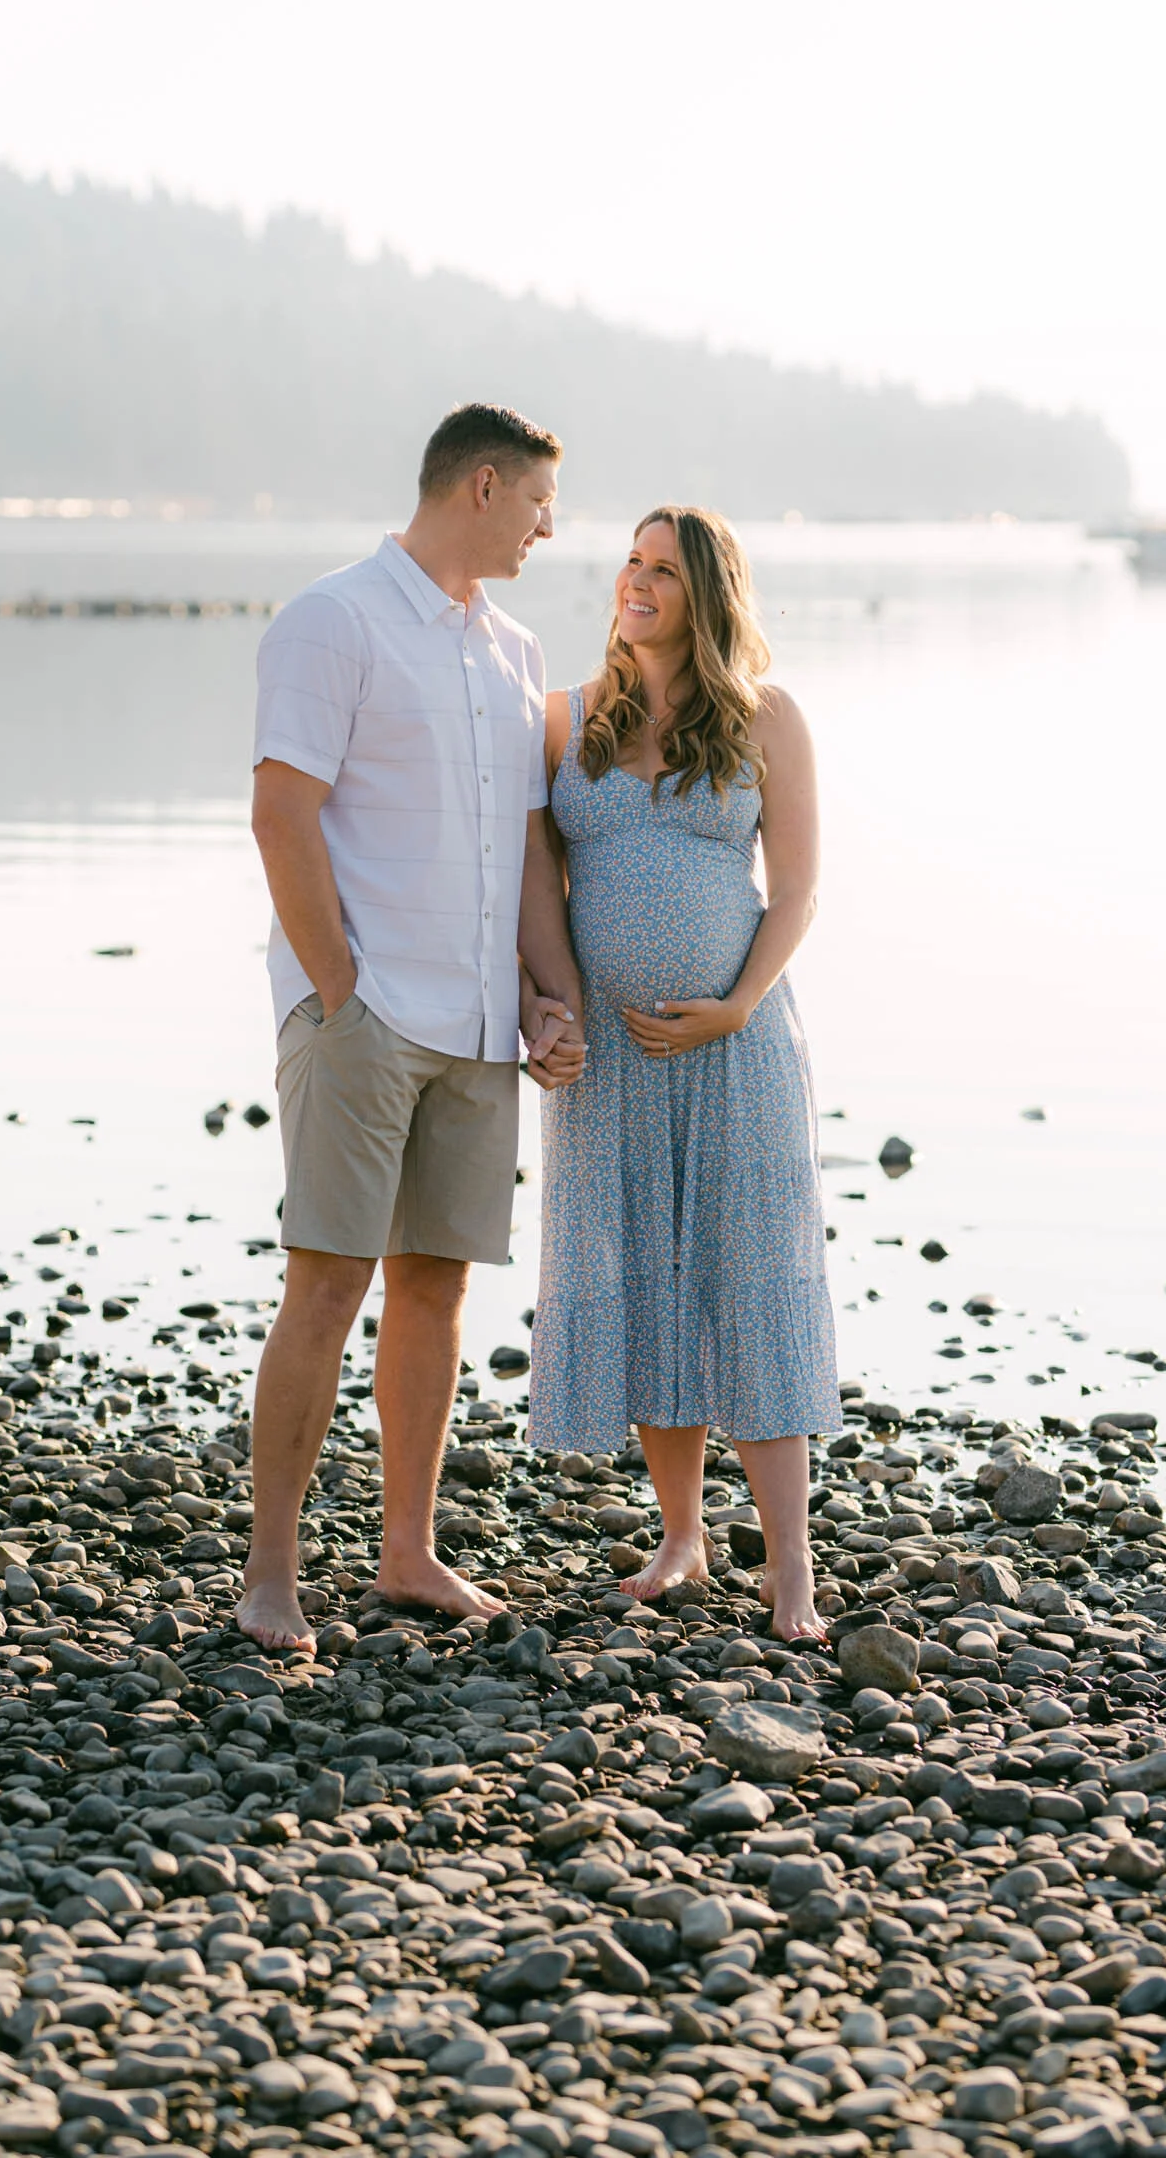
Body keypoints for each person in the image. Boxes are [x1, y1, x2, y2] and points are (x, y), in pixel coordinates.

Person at [241, 403, 585, 1652]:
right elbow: (284, 817)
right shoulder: (332, 621)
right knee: (325, 1284)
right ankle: (271, 1573)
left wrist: (551, 998)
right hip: (367, 1015)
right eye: (543, 501)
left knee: (434, 1291)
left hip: (479, 1023)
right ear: (484, 486)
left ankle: (406, 1553)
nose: (553, 526)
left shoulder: (515, 650)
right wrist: (340, 990)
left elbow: (530, 854)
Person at [529, 505, 839, 1641]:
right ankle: (681, 1537)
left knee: (749, 1279)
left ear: (709, 594)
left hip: (738, 1048)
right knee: (649, 1280)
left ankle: (791, 1567)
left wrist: (736, 1005)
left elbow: (798, 886)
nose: (637, 583)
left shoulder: (767, 717)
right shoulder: (564, 722)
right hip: (610, 1060)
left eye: (663, 570)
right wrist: (551, 1009)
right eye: (631, 563)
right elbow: (535, 892)